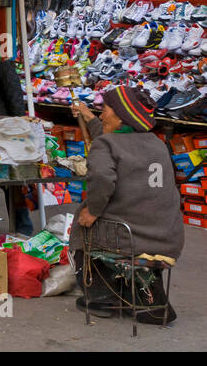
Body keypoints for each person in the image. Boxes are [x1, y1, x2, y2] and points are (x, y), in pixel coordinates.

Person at [69, 86, 184, 324]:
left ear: (121, 116)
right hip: (168, 236)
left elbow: (101, 179)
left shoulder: (106, 146)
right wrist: (87, 116)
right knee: (115, 220)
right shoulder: (156, 143)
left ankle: (102, 298)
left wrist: (92, 211)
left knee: (82, 226)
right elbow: (114, 138)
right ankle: (145, 293)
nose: (101, 116)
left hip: (131, 239)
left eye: (106, 110)